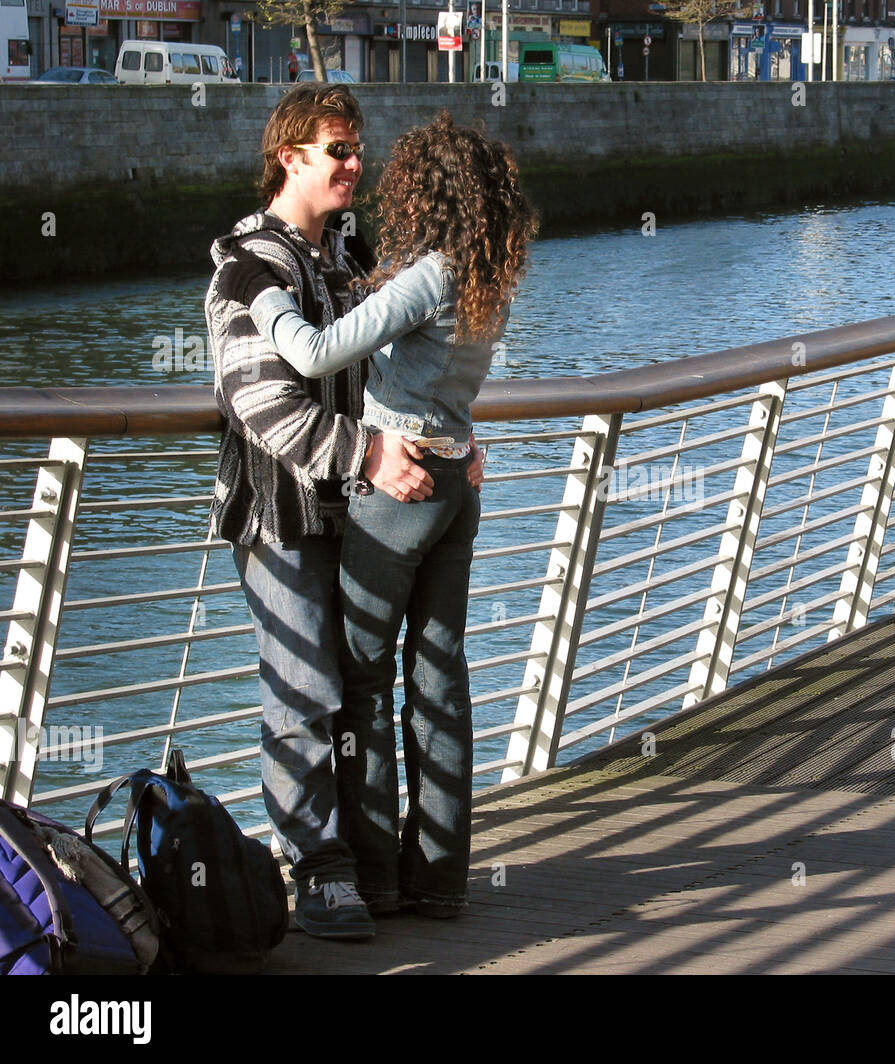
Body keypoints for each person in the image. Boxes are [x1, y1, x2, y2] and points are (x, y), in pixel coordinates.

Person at [232, 112, 537, 917]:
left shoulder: (430, 274)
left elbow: (312, 353)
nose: (370, 172)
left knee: (362, 686)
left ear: (427, 191)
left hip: (396, 490)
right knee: (440, 681)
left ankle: (371, 879)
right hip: (455, 488)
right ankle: (438, 882)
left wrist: (255, 296)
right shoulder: (486, 273)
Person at [205, 84, 456, 940]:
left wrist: (445, 439)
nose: (356, 164)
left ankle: (367, 868)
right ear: (290, 155)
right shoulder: (250, 264)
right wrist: (369, 453)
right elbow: (260, 406)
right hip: (280, 511)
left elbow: (410, 362)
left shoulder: (348, 254)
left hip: (357, 505)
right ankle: (318, 870)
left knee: (358, 686)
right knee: (304, 688)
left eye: (356, 149)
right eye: (338, 150)